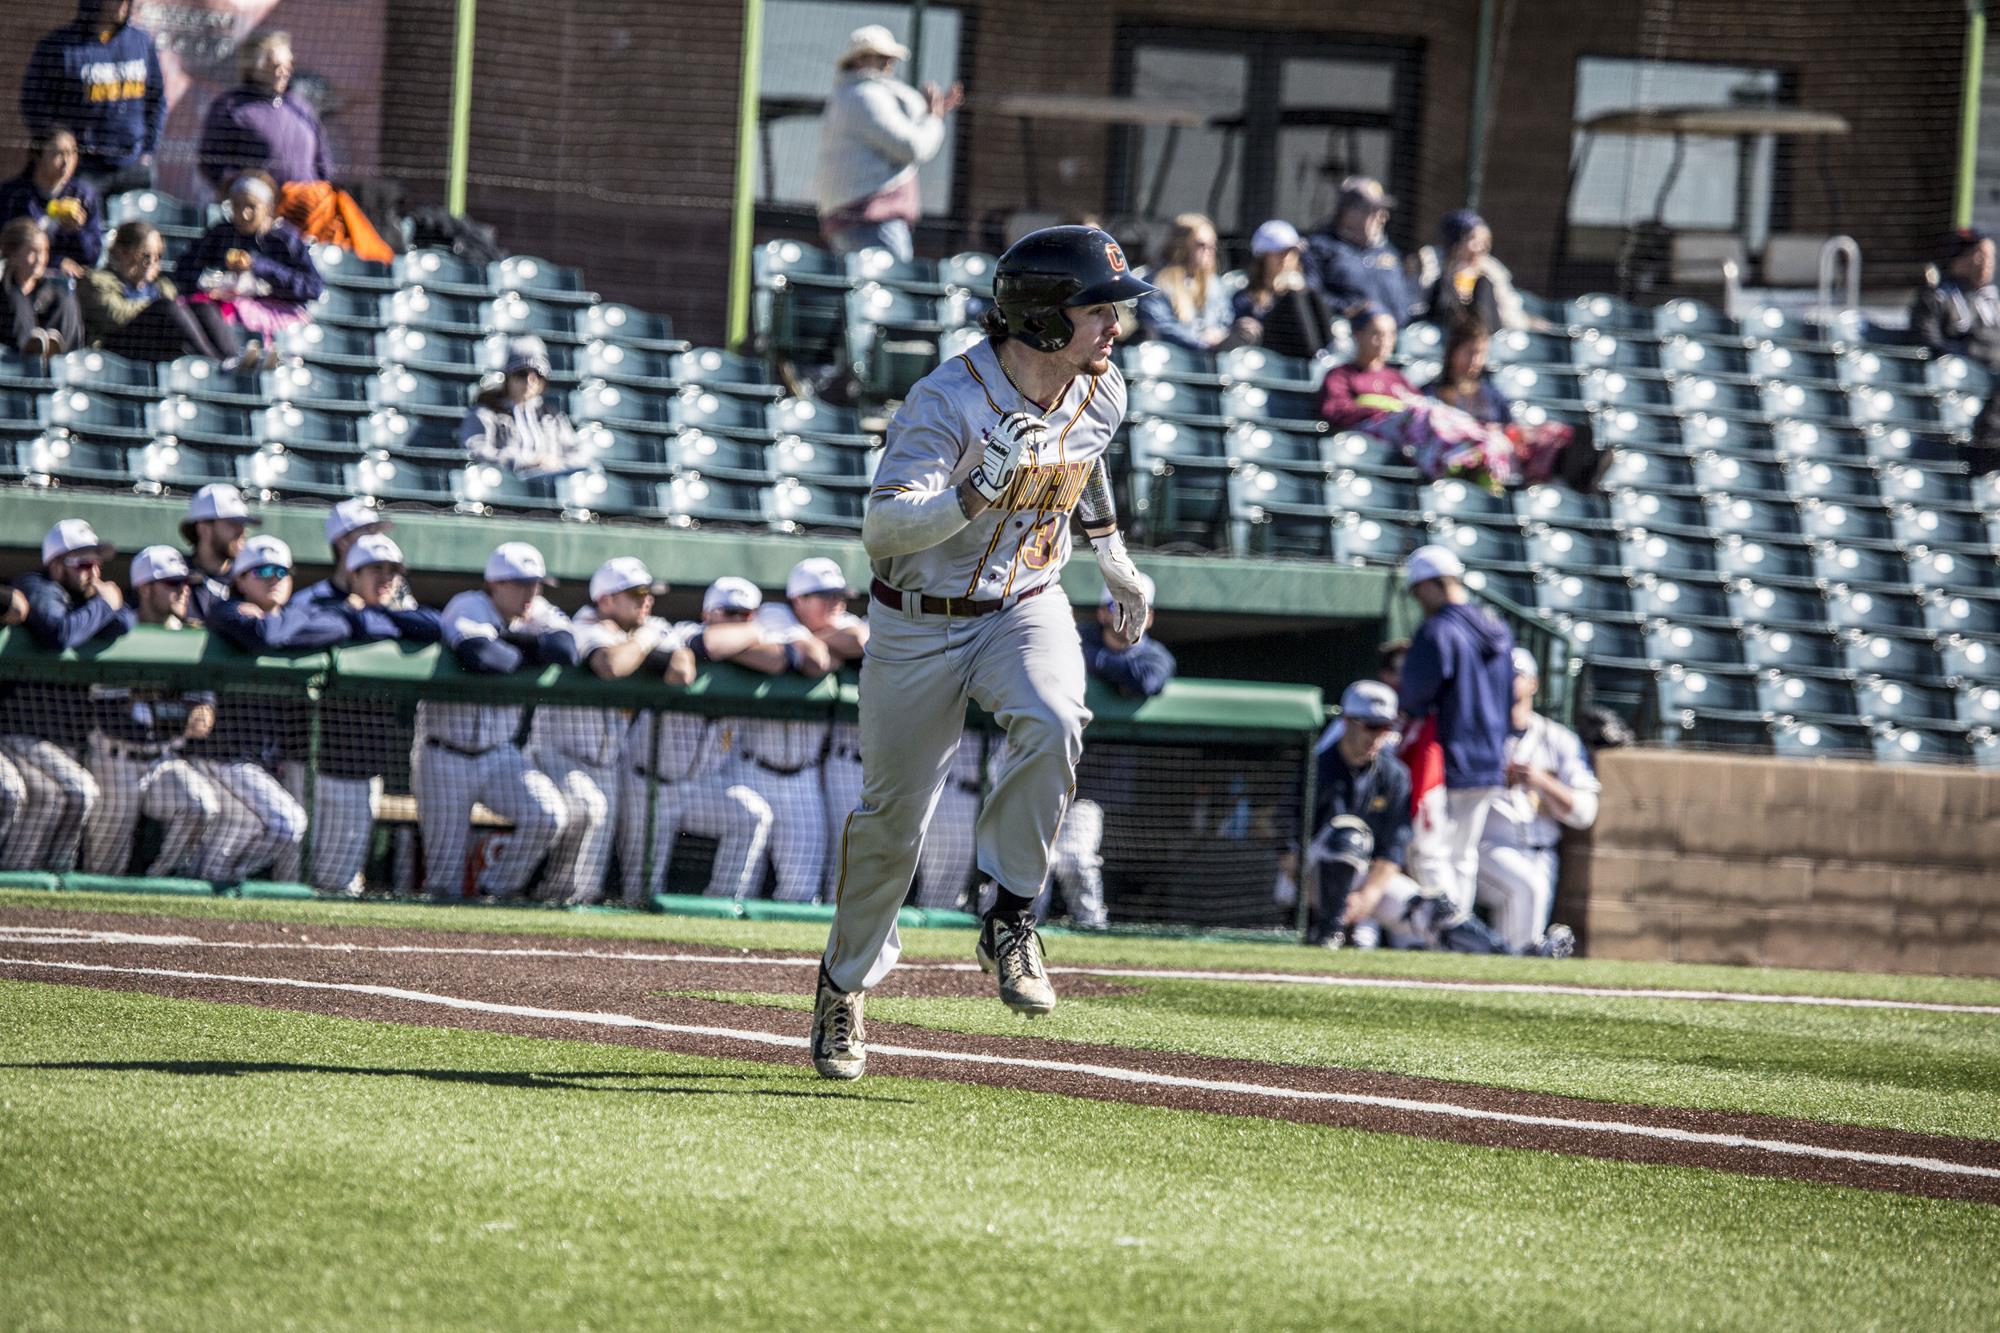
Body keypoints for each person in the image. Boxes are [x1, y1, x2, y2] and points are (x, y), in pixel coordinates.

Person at [812, 225, 1156, 1080]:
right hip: (917, 616)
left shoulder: (1101, 387)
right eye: (1097, 308)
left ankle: (1009, 914)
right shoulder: (946, 400)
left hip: (1024, 600)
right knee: (894, 824)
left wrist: (1111, 549)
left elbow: (1089, 458)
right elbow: (881, 528)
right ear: (1042, 315)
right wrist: (974, 490)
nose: (1114, 323)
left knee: (1054, 714)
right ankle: (843, 985)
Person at [420, 543, 577, 901]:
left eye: (535, 584)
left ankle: (494, 889)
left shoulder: (536, 609)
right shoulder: (469, 604)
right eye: (519, 583)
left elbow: (566, 652)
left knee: (548, 815)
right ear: (495, 583)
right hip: (445, 755)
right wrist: (531, 647)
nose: (530, 593)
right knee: (444, 880)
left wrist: (513, 642)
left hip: (500, 756)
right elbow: (483, 657)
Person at [287, 531, 441, 895]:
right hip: (310, 763)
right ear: (352, 574)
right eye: (376, 569)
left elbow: (435, 627)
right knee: (295, 875)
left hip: (363, 764)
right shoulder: (321, 605)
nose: (386, 577)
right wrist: (371, 617)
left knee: (341, 878)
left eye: (393, 570)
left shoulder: (402, 610)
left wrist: (378, 614)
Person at [526, 557, 682, 906]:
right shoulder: (584, 624)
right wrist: (645, 640)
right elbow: (611, 665)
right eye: (636, 594)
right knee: (588, 808)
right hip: (558, 752)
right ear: (606, 600)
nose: (647, 601)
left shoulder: (640, 630)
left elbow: (683, 671)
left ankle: (562, 906)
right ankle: (540, 894)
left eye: (648, 594)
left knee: (588, 880)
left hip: (605, 761)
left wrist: (648, 640)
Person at [617, 576, 778, 906]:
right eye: (730, 613)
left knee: (752, 815)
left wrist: (740, 645)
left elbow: (778, 660)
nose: (739, 621)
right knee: (640, 892)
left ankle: (722, 905)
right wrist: (750, 636)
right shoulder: (683, 632)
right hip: (647, 786)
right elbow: (706, 648)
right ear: (708, 614)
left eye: (747, 615)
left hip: (698, 788)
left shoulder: (759, 643)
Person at [1321, 306, 1604, 491]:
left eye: (1389, 335)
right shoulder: (1343, 375)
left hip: (1494, 448)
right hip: (1441, 446)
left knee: (1531, 433)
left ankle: (1578, 458)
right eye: (1375, 334)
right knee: (1434, 415)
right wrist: (1379, 404)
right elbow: (1337, 410)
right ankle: (1568, 466)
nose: (1383, 342)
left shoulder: (1399, 379)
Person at [1039, 575, 1177, 929]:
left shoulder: (1155, 654)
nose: (1128, 616)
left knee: (1074, 857)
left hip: (1095, 781)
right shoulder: (1072, 635)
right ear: (1102, 612)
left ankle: (1091, 925)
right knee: (1031, 857)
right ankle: (1015, 924)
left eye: (1137, 609)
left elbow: (1146, 680)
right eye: (1120, 607)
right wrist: (1110, 670)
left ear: (1149, 617)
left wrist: (1094, 663)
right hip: (1047, 766)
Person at [79, 545, 222, 880]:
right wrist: (173, 711)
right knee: (104, 868)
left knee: (200, 805)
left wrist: (147, 705)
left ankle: (159, 881)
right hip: (115, 761)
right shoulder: (119, 632)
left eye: (187, 582)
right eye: (173, 583)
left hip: (162, 760)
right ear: (145, 588)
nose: (184, 590)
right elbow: (113, 717)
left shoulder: (191, 637)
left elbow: (202, 720)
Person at [1397, 545, 1514, 932]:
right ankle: (1463, 933)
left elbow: (1415, 696)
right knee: (1464, 855)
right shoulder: (1498, 628)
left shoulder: (1438, 630)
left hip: (1444, 758)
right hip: (1489, 760)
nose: (1417, 600)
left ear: (1432, 585)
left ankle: (1450, 931)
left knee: (1429, 852)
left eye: (1418, 591)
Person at [0, 519, 128, 871]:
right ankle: (52, 873)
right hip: (16, 730)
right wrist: (104, 605)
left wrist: (104, 603)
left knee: (49, 805)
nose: (94, 572)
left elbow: (125, 622)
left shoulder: (82, 598)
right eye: (84, 564)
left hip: (52, 738)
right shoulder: (36, 585)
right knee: (68, 792)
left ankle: (23, 878)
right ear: (57, 566)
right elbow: (59, 633)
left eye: (97, 563)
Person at [734, 557, 864, 903]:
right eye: (825, 596)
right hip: (752, 766)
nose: (836, 603)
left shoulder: (843, 621)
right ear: (798, 600)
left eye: (839, 595)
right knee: (740, 880)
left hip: (804, 775)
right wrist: (822, 645)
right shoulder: (774, 615)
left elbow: (860, 640)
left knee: (802, 887)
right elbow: (817, 661)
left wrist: (816, 640)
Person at [1477, 648, 1596, 957]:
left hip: (1542, 854)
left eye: (1516, 676)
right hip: (1487, 847)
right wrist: (1502, 779)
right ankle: (1525, 961)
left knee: (1527, 895)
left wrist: (1543, 781)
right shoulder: (1477, 732)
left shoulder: (1557, 739)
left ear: (1534, 683)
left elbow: (1585, 813)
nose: (1508, 683)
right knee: (1526, 889)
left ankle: (1512, 969)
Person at [814, 25, 962, 261]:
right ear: (860, 59)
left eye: (891, 59)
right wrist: (934, 121)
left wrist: (931, 114)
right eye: (883, 58)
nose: (890, 65)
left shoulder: (850, 94)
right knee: (887, 293)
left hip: (858, 219)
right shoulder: (864, 96)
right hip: (870, 220)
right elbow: (911, 147)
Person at [1303, 680, 1424, 948]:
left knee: (1428, 911)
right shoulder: (1316, 767)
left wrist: (1367, 896)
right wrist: (1329, 897)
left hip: (1368, 881)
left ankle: (1505, 954)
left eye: (1386, 727)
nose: (1378, 736)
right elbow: (1288, 848)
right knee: (1347, 839)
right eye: (1371, 726)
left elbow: (1393, 848)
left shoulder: (1395, 775)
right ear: (1348, 722)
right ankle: (1327, 931)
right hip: (1311, 875)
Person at [173, 171, 324, 358]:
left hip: (275, 313)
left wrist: (259, 266)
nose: (244, 214)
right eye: (237, 206)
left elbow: (313, 287)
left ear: (268, 208)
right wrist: (211, 283)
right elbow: (184, 270)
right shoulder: (222, 233)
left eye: (252, 207)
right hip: (224, 308)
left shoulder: (286, 239)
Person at [20, 0, 164, 195]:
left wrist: (147, 150)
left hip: (133, 164)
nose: (121, 7)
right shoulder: (61, 47)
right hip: (83, 169)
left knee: (138, 226)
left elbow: (157, 100)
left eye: (127, 2)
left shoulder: (140, 42)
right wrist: (63, 150)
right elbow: (34, 103)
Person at [196, 31, 332, 195]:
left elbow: (323, 161)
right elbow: (211, 162)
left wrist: (321, 193)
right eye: (275, 64)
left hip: (304, 211)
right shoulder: (231, 107)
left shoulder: (301, 109)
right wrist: (242, 192)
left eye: (288, 64)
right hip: (257, 213)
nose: (284, 71)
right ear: (253, 66)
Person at [79, 219, 232, 362]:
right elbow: (116, 315)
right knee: (168, 308)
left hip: (155, 348)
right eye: (146, 256)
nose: (152, 263)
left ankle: (232, 359)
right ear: (122, 252)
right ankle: (214, 362)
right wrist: (155, 305)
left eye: (158, 257)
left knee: (203, 309)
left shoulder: (162, 286)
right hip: (116, 349)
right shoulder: (96, 280)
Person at [458, 337, 589, 476]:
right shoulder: (485, 413)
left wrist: (555, 465)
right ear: (508, 377)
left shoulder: (553, 417)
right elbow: (475, 451)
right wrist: (525, 462)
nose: (529, 381)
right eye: (521, 373)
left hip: (550, 487)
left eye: (538, 374)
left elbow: (579, 455)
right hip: (506, 487)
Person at [1302, 176, 1415, 323]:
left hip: (1394, 339)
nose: (1383, 217)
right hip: (1344, 338)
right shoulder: (1320, 248)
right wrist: (1352, 308)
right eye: (1374, 210)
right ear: (1349, 212)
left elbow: (1404, 303)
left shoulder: (1388, 252)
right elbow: (1312, 297)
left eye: (1384, 211)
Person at [0, 128, 102, 279]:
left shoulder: (84, 196)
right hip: (23, 277)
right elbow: (7, 246)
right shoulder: (14, 195)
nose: (67, 161)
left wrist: (77, 230)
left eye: (72, 153)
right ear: (37, 155)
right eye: (58, 154)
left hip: (72, 282)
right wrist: (55, 263)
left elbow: (92, 255)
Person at [1231, 219, 1335, 360]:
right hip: (1269, 356)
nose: (1287, 259)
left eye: (1291, 252)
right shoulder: (1244, 297)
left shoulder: (1306, 293)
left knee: (1308, 295)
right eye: (1280, 253)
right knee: (1294, 297)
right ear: (1263, 257)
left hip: (1304, 354)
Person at [1134, 213, 1241, 350]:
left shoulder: (1215, 284)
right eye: (1201, 245)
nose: (1209, 251)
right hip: (1174, 359)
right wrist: (1200, 340)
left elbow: (1225, 320)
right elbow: (1160, 326)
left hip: (1210, 362)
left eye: (1212, 246)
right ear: (1181, 246)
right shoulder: (1156, 282)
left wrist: (1220, 336)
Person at [1417, 210, 1533, 333]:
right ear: (1455, 241)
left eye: (1486, 241)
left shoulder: (1491, 269)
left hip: (1483, 333)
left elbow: (1510, 310)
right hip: (1443, 328)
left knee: (1484, 283)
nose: (1482, 247)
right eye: (1473, 239)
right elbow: (1423, 298)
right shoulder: (1431, 259)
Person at [1908, 228, 2000, 368]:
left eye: (1991, 256)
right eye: (1980, 256)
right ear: (1958, 260)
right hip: (1962, 375)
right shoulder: (1937, 297)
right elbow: (1928, 341)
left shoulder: (1990, 299)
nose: (1988, 263)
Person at [2, 219, 84, 359]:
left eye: (45, 251)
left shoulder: (52, 290)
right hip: (12, 361)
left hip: (56, 363)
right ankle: (31, 356)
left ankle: (60, 359)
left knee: (66, 297)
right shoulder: (7, 289)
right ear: (13, 254)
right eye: (33, 252)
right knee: (16, 298)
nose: (41, 259)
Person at [179, 483, 261, 623]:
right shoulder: (176, 576)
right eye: (233, 523)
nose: (242, 532)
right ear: (204, 528)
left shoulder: (250, 578)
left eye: (243, 525)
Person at [1427, 320, 1511, 425]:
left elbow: (1509, 430)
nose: (1475, 361)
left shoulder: (1493, 396)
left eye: (1481, 353)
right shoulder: (1430, 394)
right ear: (1453, 352)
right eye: (1470, 352)